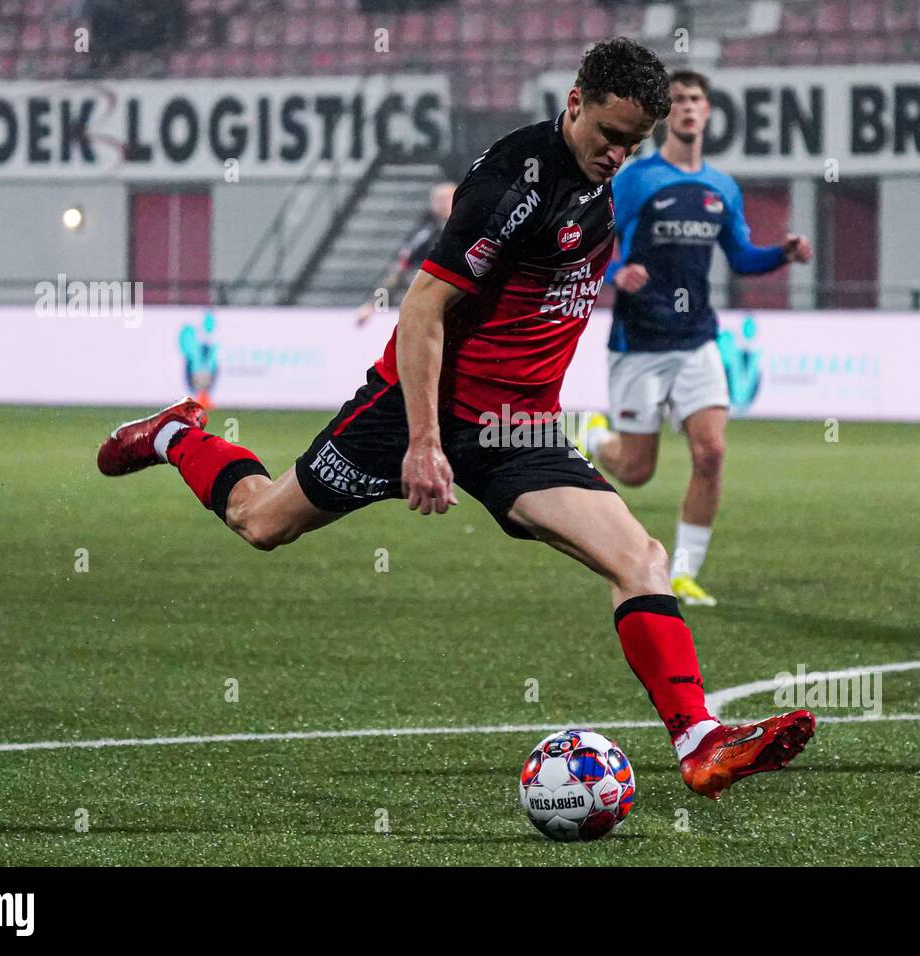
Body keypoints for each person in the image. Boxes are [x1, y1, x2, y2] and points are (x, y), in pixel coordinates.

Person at [96, 38, 813, 800]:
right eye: (609, 135)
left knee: (640, 559)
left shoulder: (603, 184)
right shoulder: (513, 184)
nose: (617, 155)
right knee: (262, 521)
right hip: (415, 408)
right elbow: (423, 308)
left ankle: (699, 740)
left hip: (519, 430)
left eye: (632, 144)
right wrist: (423, 441)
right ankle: (177, 435)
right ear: (575, 102)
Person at [580, 69, 812, 608]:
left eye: (696, 99)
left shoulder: (721, 187)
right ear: (667, 113)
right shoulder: (635, 180)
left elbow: (741, 258)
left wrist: (781, 253)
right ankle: (596, 438)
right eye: (679, 99)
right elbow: (588, 243)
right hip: (639, 342)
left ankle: (683, 573)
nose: (687, 107)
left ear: (707, 112)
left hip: (697, 340)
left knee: (711, 452)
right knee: (636, 472)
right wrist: (616, 273)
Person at [354, 181, 457, 326]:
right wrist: (373, 304)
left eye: (447, 198)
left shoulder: (473, 228)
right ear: (432, 204)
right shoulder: (425, 234)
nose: (443, 204)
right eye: (439, 199)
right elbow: (399, 270)